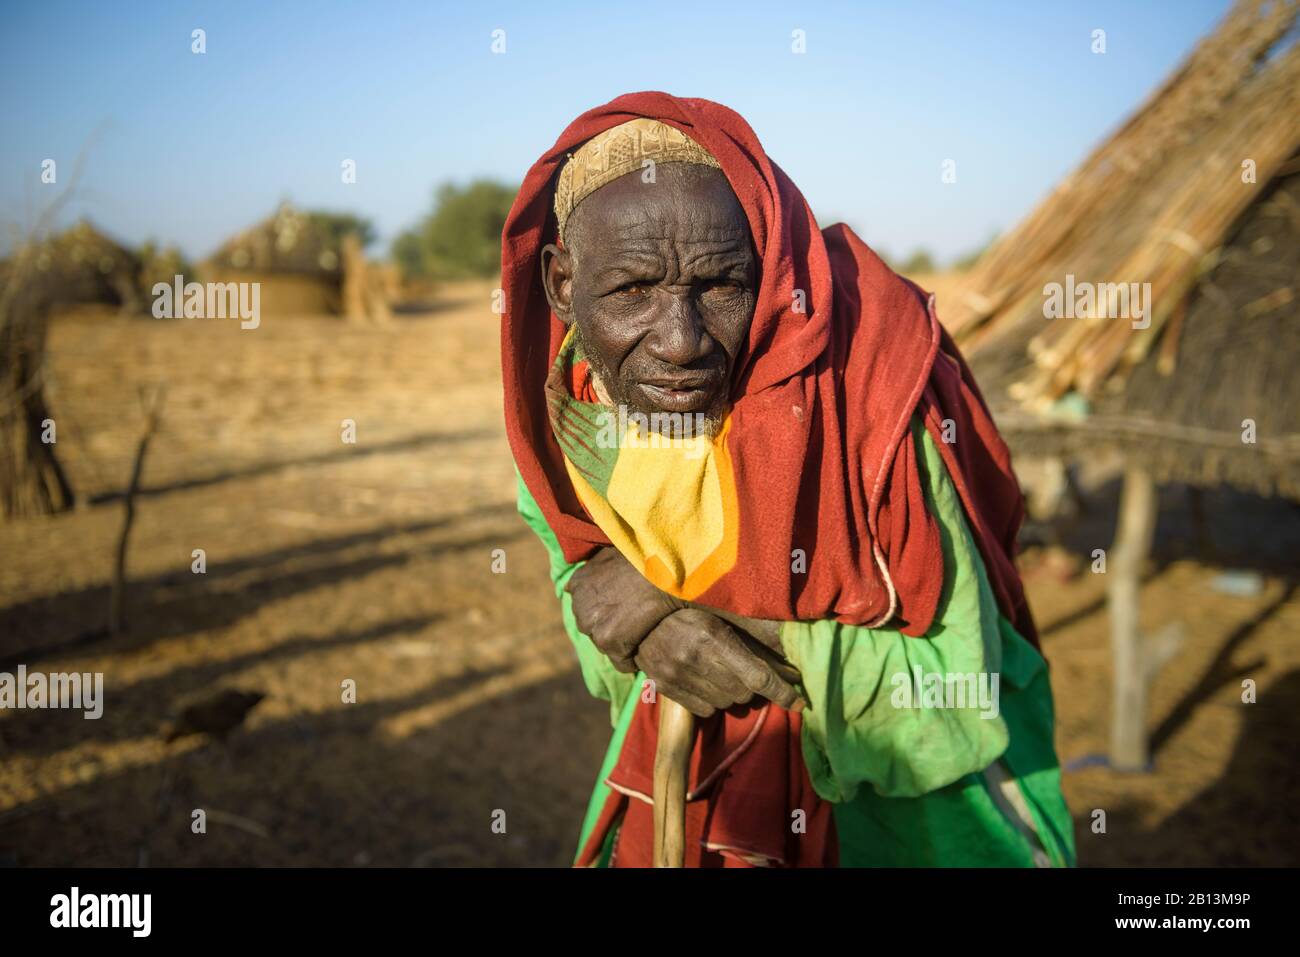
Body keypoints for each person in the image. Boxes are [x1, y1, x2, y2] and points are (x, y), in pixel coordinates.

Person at [500, 92, 1076, 867]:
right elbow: (603, 637)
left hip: (909, 826)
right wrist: (627, 611)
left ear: (768, 271)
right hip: (688, 806)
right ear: (563, 285)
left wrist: (684, 603)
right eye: (633, 290)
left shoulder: (866, 401)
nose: (681, 342)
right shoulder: (569, 426)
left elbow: (951, 695)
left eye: (719, 285)